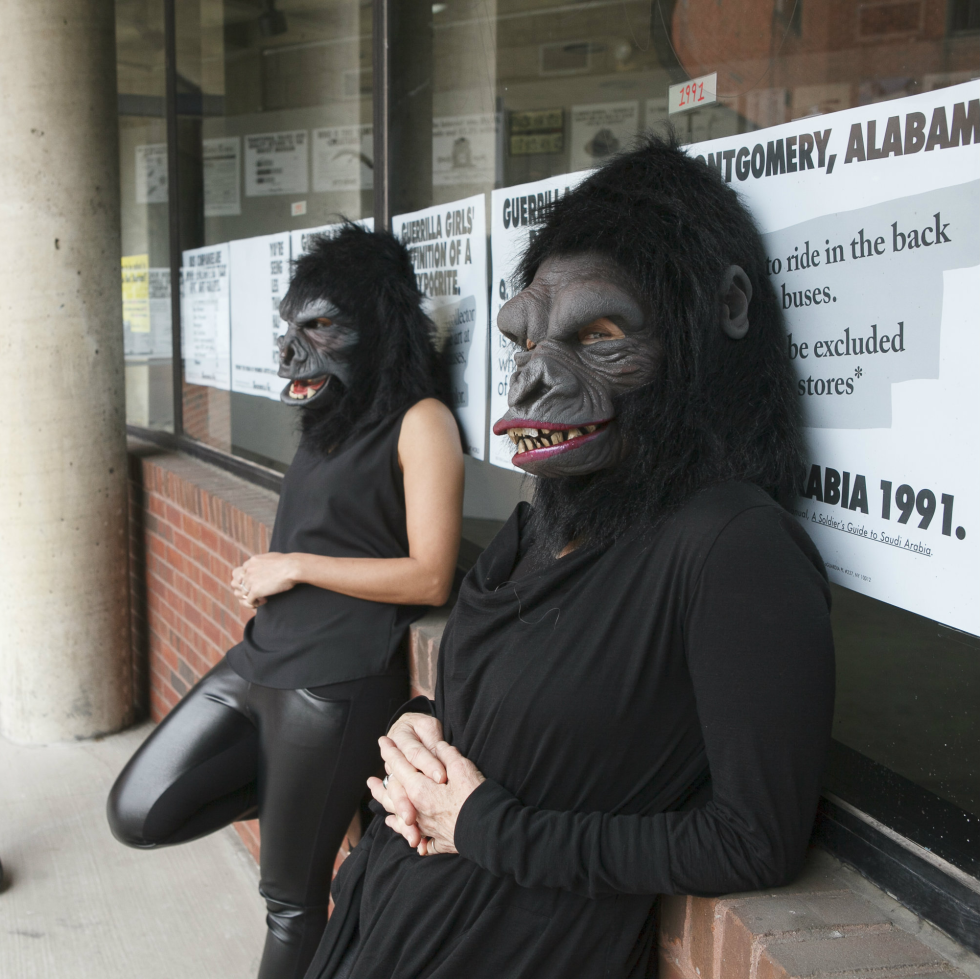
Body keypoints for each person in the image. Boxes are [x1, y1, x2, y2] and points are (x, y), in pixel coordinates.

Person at [304, 138, 836, 979]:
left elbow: (753, 839)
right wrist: (418, 724)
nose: (530, 384)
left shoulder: (734, 547)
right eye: (528, 339)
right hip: (388, 916)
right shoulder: (541, 521)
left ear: (722, 311)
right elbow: (504, 714)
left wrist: (484, 825)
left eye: (598, 336)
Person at [107, 225, 464, 979]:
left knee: (291, 903)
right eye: (290, 328)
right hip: (259, 659)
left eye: (320, 327)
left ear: (380, 326)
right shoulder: (328, 421)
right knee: (140, 808)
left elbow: (432, 577)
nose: (293, 350)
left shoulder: (422, 422)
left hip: (331, 684)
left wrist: (294, 564)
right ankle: (306, 789)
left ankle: (312, 791)